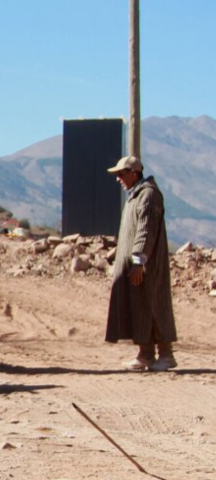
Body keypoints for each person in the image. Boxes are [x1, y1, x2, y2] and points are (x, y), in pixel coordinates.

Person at [104, 155, 177, 371]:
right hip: (136, 265)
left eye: (121, 174)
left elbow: (146, 230)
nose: (118, 179)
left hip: (147, 266)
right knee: (139, 308)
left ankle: (166, 354)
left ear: (134, 173)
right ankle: (145, 354)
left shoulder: (149, 196)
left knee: (153, 307)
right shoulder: (135, 196)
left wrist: (138, 261)